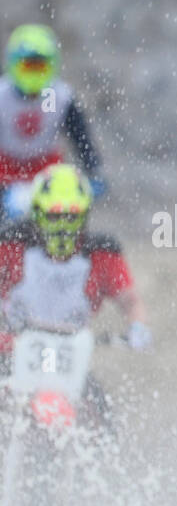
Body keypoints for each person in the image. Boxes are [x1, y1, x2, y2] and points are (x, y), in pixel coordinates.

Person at [0, 164, 150, 422]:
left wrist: (138, 328)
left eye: (71, 218)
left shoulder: (102, 253)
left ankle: (99, 458)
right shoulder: (10, 245)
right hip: (11, 350)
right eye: (55, 217)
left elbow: (130, 301)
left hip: (65, 360)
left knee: (99, 412)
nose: (62, 227)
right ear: (37, 214)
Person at [0, 25, 105, 220]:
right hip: (4, 174)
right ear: (14, 64)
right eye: (28, 65)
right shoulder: (2, 96)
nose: (33, 73)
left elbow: (80, 137)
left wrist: (93, 170)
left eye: (40, 66)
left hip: (47, 173)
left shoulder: (57, 97)